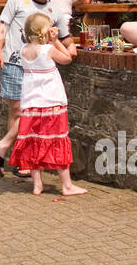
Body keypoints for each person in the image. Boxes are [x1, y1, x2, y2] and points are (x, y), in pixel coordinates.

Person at [0, 0, 71, 178]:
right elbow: (2, 27)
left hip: (38, 70)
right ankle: (19, 159)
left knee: (32, 113)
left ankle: (5, 149)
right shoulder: (17, 0)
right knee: (17, 111)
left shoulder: (55, 9)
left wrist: (72, 46)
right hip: (14, 62)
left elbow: (66, 35)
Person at [5, 13, 86, 197]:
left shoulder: (23, 49)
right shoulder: (47, 50)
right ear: (44, 31)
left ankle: (37, 184)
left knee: (34, 142)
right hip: (51, 102)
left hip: (32, 104)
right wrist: (56, 41)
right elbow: (67, 58)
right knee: (57, 140)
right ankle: (66, 185)